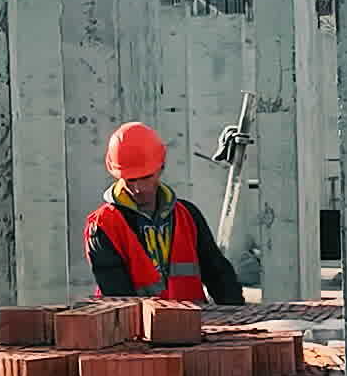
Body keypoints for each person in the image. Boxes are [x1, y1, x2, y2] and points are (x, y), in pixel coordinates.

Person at [86, 122, 247, 305]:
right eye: (130, 180)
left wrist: (237, 315)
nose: (138, 189)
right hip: (133, 328)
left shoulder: (187, 216)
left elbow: (218, 274)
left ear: (160, 167)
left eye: (146, 177)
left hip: (192, 325)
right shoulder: (103, 225)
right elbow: (117, 295)